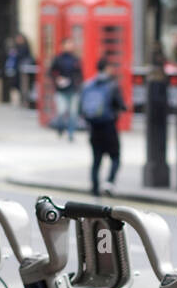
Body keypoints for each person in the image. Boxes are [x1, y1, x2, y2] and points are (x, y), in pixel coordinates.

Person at [80, 56, 126, 196]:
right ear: (106, 68)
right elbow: (121, 105)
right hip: (109, 128)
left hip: (94, 128)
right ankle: (109, 183)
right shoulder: (112, 85)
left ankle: (94, 188)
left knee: (96, 160)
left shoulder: (87, 85)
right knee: (116, 157)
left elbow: (81, 109)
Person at [48, 38, 81, 140]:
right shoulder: (58, 59)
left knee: (73, 113)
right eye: (68, 44)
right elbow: (50, 72)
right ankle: (60, 128)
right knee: (61, 112)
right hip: (61, 90)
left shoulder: (76, 59)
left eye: (71, 44)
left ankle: (71, 133)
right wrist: (57, 79)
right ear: (63, 46)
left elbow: (80, 74)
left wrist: (78, 84)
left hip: (73, 89)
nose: (70, 46)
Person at [4, 33, 33, 105]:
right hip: (15, 70)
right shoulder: (14, 47)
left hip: (24, 70)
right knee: (14, 85)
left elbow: (29, 57)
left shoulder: (25, 47)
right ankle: (17, 101)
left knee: (24, 85)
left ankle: (25, 101)